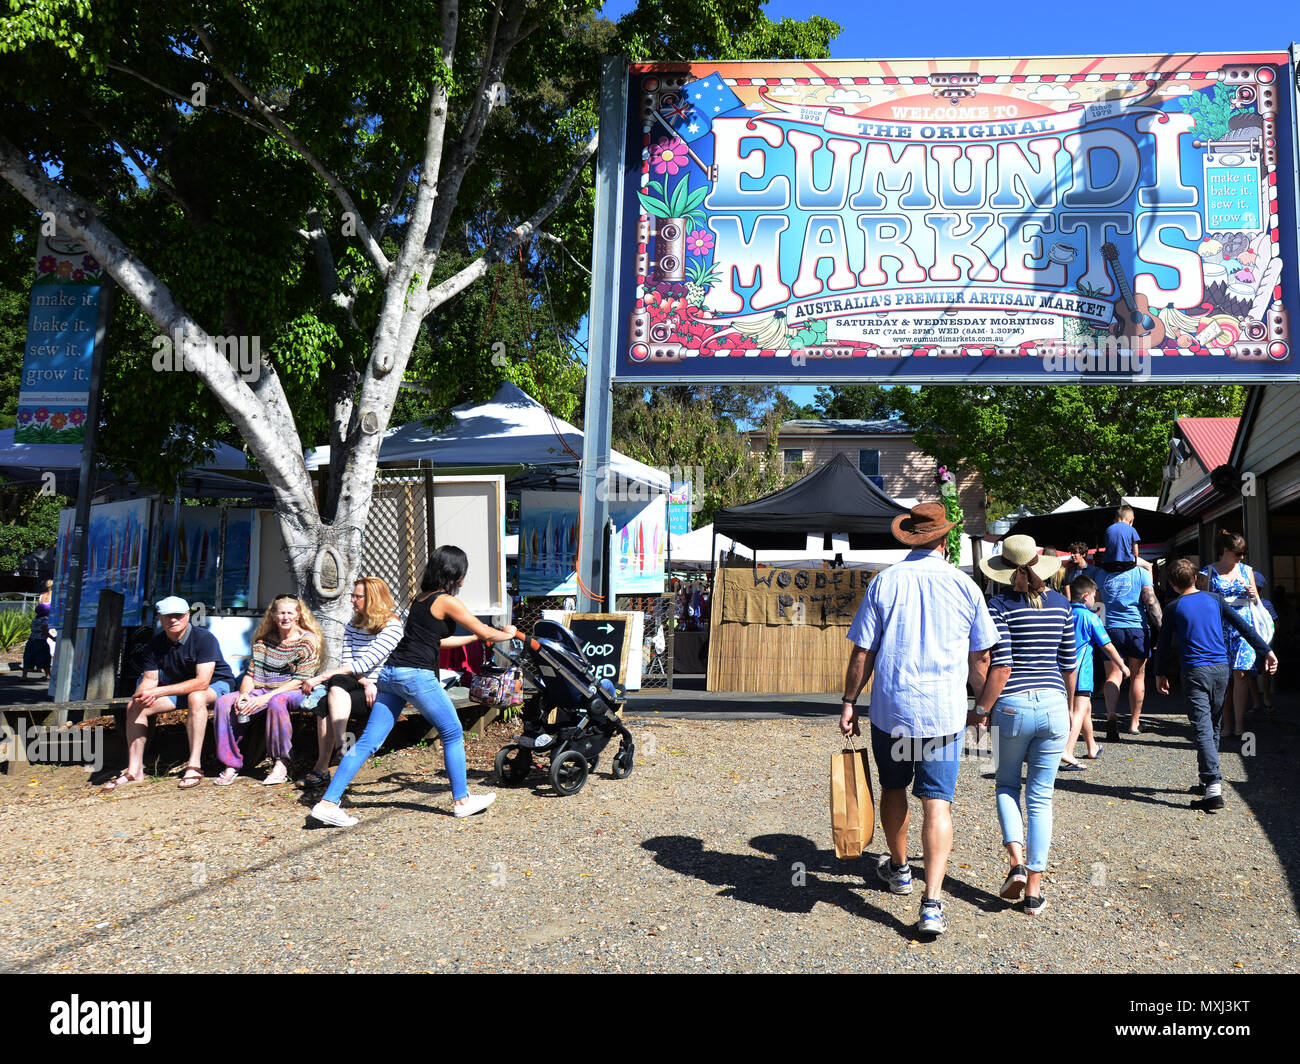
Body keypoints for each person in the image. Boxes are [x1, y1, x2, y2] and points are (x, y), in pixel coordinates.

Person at [840, 501, 999, 936]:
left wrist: (849, 701)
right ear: (945, 540)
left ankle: (898, 868)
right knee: (937, 802)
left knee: (893, 788)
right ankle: (932, 903)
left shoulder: (884, 582)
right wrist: (981, 709)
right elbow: (981, 655)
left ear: (908, 536)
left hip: (892, 710)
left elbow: (862, 652)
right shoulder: (965, 586)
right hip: (944, 713)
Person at [310, 546, 516, 827]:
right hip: (415, 675)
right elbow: (485, 630)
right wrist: (508, 633)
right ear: (455, 573)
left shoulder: (420, 599)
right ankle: (462, 801)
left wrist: (472, 640)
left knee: (369, 741)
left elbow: (435, 642)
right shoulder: (445, 600)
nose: (465, 579)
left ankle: (328, 803)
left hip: (390, 674)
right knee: (453, 731)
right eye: (463, 573)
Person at [973, 535, 1077, 916]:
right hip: (1052, 706)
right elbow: (1069, 664)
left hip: (1012, 706)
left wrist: (981, 711)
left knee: (1005, 784)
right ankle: (1034, 891)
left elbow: (1001, 666)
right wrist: (1068, 710)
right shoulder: (1063, 605)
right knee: (1041, 798)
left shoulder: (998, 605)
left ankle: (1015, 861)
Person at [1155, 559, 1277, 812]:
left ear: (1172, 584)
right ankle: (1205, 779)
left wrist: (1160, 673)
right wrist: (1266, 650)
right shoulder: (1215, 600)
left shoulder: (1173, 607)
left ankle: (1213, 786)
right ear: (1196, 579)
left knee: (1201, 726)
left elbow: (1164, 644)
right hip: (1221, 669)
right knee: (1213, 724)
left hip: (1194, 671)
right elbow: (1245, 627)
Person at [104, 596, 237, 791]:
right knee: (136, 705)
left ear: (187, 616)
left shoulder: (203, 638)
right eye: (167, 616)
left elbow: (202, 682)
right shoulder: (154, 645)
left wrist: (158, 691)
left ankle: (194, 766)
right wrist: (142, 695)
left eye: (178, 615)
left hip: (218, 685)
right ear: (159, 617)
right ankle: (134, 770)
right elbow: (149, 680)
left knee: (196, 697)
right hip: (180, 688)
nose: (173, 620)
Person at [299, 577, 405, 788]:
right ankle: (343, 747)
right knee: (337, 681)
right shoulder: (353, 623)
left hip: (381, 687)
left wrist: (321, 677)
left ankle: (323, 767)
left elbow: (367, 661)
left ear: (373, 598)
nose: (352, 600)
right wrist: (364, 682)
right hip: (362, 682)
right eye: (352, 595)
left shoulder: (392, 625)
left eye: (358, 596)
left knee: (324, 705)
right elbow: (348, 662)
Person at [212, 595, 323, 786]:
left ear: (298, 615)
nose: (285, 617)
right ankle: (231, 763)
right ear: (273, 615)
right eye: (281, 613)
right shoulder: (263, 642)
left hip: (294, 690)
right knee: (224, 703)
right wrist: (244, 695)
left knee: (276, 702)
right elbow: (250, 675)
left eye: (290, 613)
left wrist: (266, 698)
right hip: (262, 689)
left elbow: (300, 680)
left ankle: (281, 762)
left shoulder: (307, 641)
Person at [1060, 575, 1129, 768]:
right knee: (1080, 709)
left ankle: (1092, 747)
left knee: (1086, 708)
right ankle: (1068, 749)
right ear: (1085, 597)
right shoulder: (1090, 617)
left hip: (1063, 671)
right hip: (1081, 672)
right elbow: (1107, 645)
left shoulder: (1064, 613)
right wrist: (1122, 665)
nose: (1095, 601)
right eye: (1093, 597)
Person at [1196, 531, 1260, 741]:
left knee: (1241, 674)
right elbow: (1201, 602)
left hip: (1243, 627)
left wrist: (1253, 594)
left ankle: (1240, 725)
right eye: (1238, 553)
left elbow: (1257, 602)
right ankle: (1226, 724)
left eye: (1243, 553)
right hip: (1218, 628)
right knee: (1223, 678)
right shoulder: (1208, 572)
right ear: (1225, 551)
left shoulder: (1246, 570)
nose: (1241, 557)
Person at [1094, 560, 1162, 740]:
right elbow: (1151, 602)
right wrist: (1163, 629)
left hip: (1110, 629)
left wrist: (1098, 632)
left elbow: (1098, 606)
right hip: (1137, 628)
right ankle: (1134, 723)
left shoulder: (1101, 574)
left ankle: (1111, 716)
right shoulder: (1140, 573)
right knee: (1137, 676)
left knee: (1113, 675)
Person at [21, 580, 55, 679]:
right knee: (45, 656)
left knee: (28, 657)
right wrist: (52, 638)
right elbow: (45, 630)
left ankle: (24, 675)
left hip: (32, 640)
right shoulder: (45, 619)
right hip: (42, 639)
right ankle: (48, 674)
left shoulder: (35, 619)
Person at [1099, 504, 1140, 572]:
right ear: (1132, 520)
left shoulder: (1108, 529)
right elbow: (1136, 553)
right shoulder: (1132, 529)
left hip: (1109, 565)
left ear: (1115, 519)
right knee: (1148, 566)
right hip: (1126, 564)